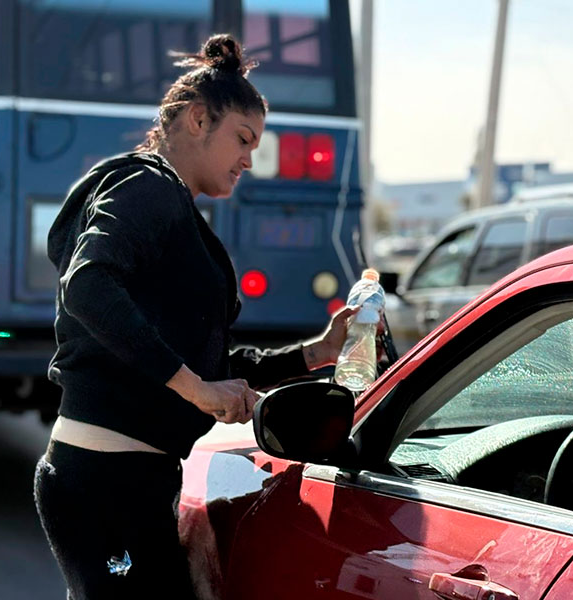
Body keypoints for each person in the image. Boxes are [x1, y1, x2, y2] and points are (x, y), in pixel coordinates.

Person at [34, 34, 356, 599]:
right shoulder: (149, 186)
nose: (249, 161)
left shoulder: (168, 203)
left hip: (122, 482)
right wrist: (190, 388)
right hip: (106, 481)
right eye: (242, 139)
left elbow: (202, 363)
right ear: (197, 120)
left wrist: (314, 354)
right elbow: (86, 284)